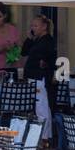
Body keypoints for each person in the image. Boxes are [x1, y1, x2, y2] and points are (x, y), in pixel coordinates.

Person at [22, 14, 58, 142]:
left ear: (44, 27)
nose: (33, 28)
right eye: (32, 25)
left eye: (36, 25)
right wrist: (29, 37)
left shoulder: (48, 40)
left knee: (41, 107)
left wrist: (44, 63)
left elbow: (50, 58)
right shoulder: (36, 40)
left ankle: (43, 137)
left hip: (40, 77)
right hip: (32, 76)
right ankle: (44, 135)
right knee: (40, 107)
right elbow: (24, 51)